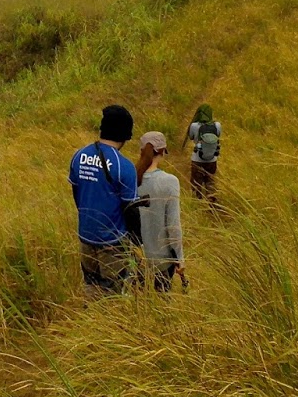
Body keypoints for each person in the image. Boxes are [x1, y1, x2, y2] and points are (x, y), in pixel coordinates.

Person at [68, 105, 140, 297]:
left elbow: (77, 193)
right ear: (125, 135)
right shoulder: (124, 166)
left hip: (85, 235)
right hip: (112, 241)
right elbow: (130, 209)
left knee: (90, 287)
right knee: (114, 294)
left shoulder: (79, 156)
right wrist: (138, 240)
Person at [135, 131, 184, 292]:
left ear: (142, 151)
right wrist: (179, 258)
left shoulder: (130, 178)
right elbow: (173, 225)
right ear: (162, 152)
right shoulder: (169, 181)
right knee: (161, 301)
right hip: (162, 259)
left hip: (135, 257)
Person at [186, 104, 222, 204]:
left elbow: (191, 137)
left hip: (197, 159)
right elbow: (217, 136)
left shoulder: (194, 126)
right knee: (210, 181)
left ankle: (198, 203)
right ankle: (211, 203)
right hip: (212, 159)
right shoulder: (217, 125)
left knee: (196, 183)